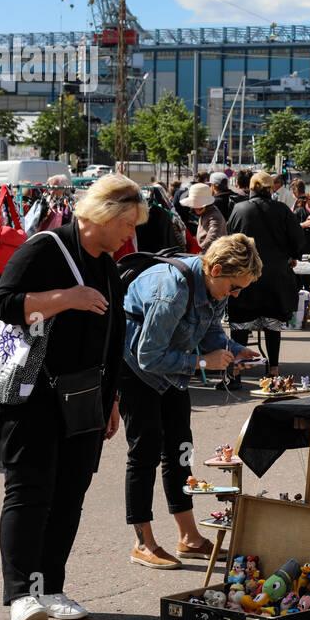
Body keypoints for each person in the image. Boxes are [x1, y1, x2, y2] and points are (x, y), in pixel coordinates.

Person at [0, 173, 146, 620]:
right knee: (30, 491)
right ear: (105, 215)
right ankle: (20, 596)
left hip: (83, 399)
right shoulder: (45, 247)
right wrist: (64, 299)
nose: (129, 235)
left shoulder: (108, 264)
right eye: (127, 225)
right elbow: (3, 305)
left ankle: (49, 587)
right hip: (28, 395)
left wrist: (111, 397)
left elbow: (114, 338)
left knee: (70, 494)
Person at [119, 233, 263, 570]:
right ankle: (143, 542)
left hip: (172, 370)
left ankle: (188, 537)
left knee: (181, 450)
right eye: (234, 287)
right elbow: (147, 357)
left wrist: (231, 349)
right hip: (136, 370)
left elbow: (210, 328)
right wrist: (201, 363)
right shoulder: (171, 291)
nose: (236, 294)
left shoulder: (215, 285)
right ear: (215, 269)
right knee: (144, 453)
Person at [226, 172, 305, 379]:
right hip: (276, 275)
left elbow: (229, 241)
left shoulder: (239, 209)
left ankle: (235, 374)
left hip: (246, 274)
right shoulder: (281, 210)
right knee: (272, 325)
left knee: (240, 325)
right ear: (271, 189)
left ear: (251, 189)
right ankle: (273, 371)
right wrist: (292, 255)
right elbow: (298, 238)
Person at [182, 181, 227, 253]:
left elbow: (212, 239)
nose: (193, 208)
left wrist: (198, 252)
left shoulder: (214, 217)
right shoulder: (205, 213)